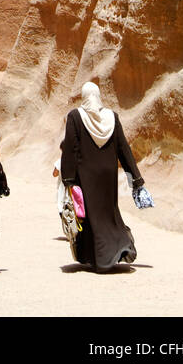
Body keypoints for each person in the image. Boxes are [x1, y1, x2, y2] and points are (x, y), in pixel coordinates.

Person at [59, 80, 144, 272]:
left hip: (86, 174)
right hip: (108, 174)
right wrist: (136, 178)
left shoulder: (75, 116)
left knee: (91, 216)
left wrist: (68, 178)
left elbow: (71, 148)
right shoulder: (112, 117)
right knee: (108, 211)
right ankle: (120, 247)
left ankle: (102, 259)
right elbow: (123, 147)